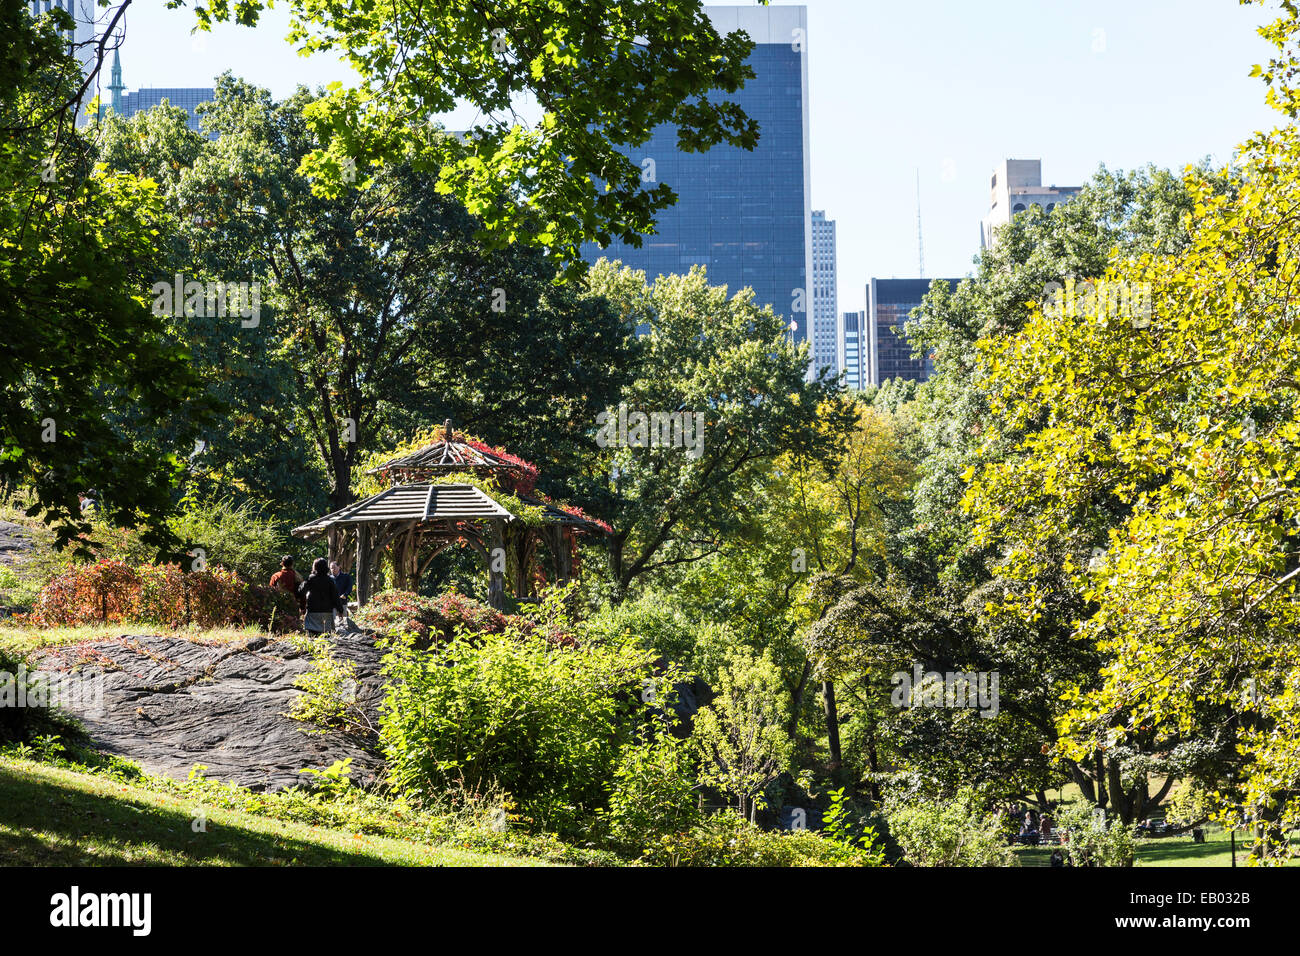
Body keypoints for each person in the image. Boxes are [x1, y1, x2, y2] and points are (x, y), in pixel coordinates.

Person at [299, 557, 347, 636]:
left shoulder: (311, 579)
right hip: (327, 612)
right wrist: (340, 610)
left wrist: (302, 606)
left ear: (315, 567)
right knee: (326, 636)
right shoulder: (330, 580)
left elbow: (301, 591)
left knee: (311, 636)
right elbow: (335, 596)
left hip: (312, 611)